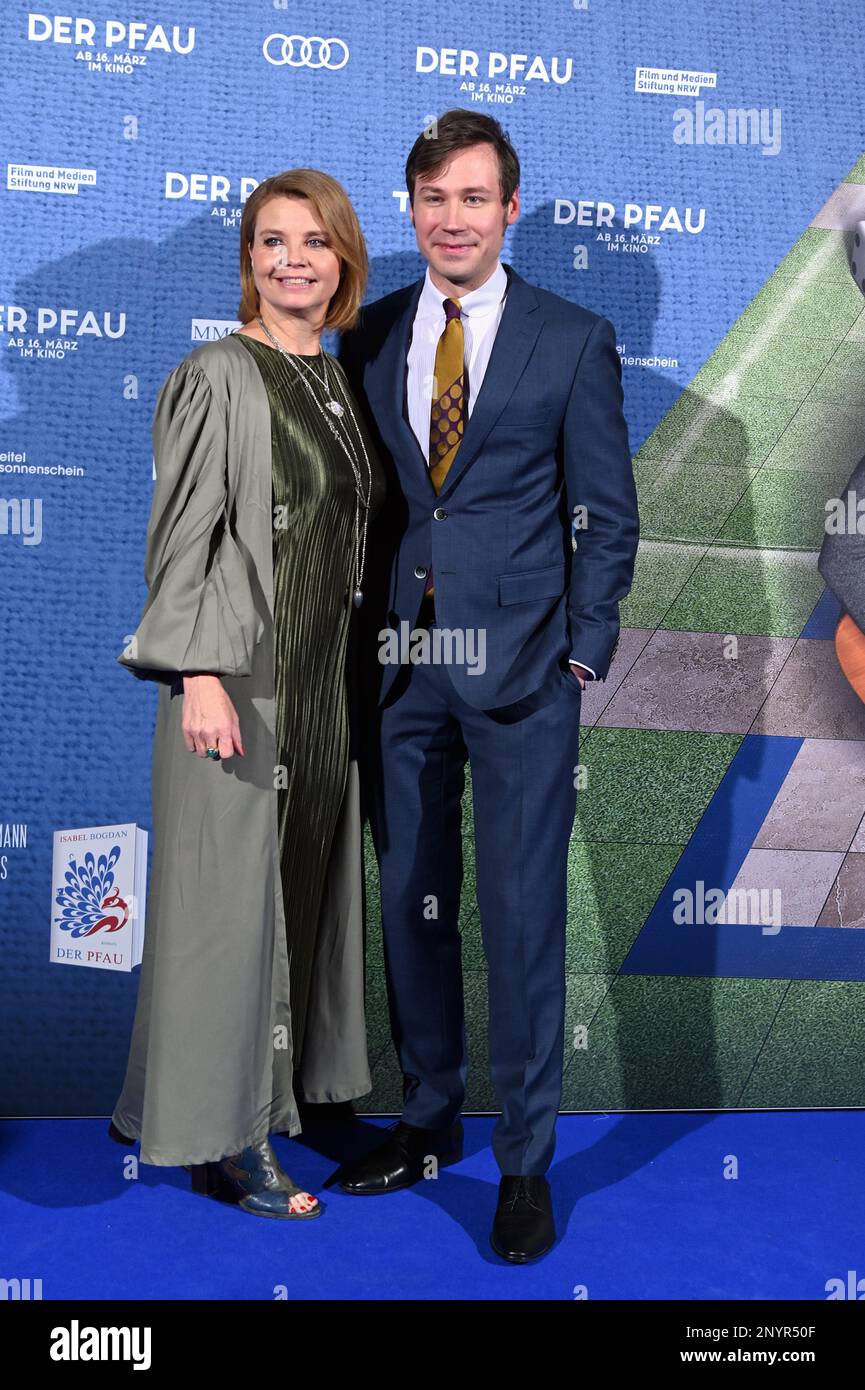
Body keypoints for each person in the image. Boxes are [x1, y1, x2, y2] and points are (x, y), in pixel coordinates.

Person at [338, 111, 639, 1261]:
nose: (452, 218)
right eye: (432, 197)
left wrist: (584, 646)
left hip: (522, 673)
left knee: (518, 923)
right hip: (402, 664)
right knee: (409, 899)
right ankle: (425, 1119)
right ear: (409, 209)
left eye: (474, 197)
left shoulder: (571, 337)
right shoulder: (365, 335)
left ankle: (523, 1164)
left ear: (510, 209)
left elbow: (606, 510)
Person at [109, 169, 386, 1219]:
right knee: (227, 926)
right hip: (235, 693)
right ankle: (227, 1143)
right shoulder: (217, 374)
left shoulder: (334, 378)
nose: (292, 259)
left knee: (289, 914)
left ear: (343, 258)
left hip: (320, 702)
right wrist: (198, 672)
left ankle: (212, 1105)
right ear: (248, 260)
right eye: (271, 241)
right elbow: (183, 539)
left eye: (314, 241)